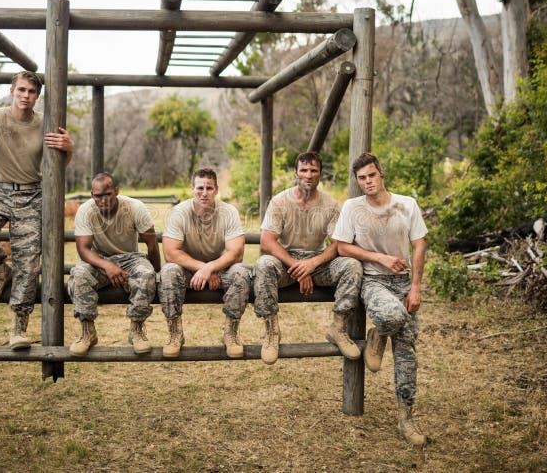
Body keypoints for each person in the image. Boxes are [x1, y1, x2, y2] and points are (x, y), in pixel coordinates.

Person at [0, 71, 73, 351]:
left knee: (28, 263)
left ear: (38, 96)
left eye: (32, 92)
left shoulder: (44, 123)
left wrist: (69, 149)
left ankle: (18, 327)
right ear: (12, 90)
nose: (26, 96)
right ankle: (0, 271)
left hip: (32, 194)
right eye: (22, 90)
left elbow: (59, 163)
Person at [331, 152, 428, 446]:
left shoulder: (406, 205)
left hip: (403, 281)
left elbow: (419, 245)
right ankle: (378, 333)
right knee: (391, 316)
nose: (368, 182)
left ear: (381, 173)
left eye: (371, 175)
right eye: (362, 178)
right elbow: (342, 248)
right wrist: (379, 258)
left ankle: (406, 419)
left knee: (407, 353)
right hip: (373, 280)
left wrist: (415, 287)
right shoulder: (352, 207)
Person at [253, 152, 363, 365]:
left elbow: (338, 244)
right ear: (295, 173)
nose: (308, 175)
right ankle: (271, 331)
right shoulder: (280, 201)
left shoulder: (330, 204)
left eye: (314, 170)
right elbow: (267, 242)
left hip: (317, 261)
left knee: (352, 265)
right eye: (303, 170)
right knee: (264, 264)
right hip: (286, 263)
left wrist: (312, 264)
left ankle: (338, 328)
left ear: (320, 174)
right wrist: (297, 266)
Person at [158, 168, 251, 359]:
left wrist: (211, 268)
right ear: (192, 189)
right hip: (189, 270)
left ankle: (231, 333)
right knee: (168, 271)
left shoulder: (229, 212)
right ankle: (175, 333)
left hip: (218, 268)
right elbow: (170, 252)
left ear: (216, 190)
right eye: (200, 188)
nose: (204, 193)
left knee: (241, 271)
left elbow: (237, 252)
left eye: (209, 188)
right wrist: (203, 268)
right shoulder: (179, 212)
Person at [67, 172, 160, 356]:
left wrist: (155, 275)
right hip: (100, 259)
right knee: (79, 274)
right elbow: (83, 249)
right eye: (98, 196)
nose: (103, 200)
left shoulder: (134, 207)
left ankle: (137, 330)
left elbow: (151, 245)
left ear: (116, 191)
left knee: (146, 274)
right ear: (92, 195)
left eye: (107, 194)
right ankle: (87, 332)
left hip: (131, 258)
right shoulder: (86, 210)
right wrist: (107, 266)